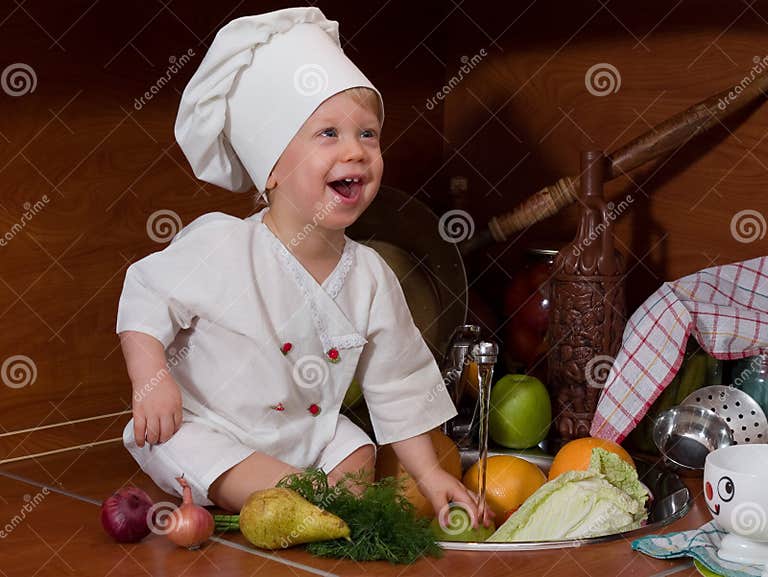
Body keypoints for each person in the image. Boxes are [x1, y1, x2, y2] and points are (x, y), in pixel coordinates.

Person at [117, 6, 491, 527]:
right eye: (328, 133)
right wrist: (152, 378)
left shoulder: (371, 276)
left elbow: (399, 384)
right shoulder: (225, 245)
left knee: (356, 449)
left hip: (306, 433)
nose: (356, 151)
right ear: (270, 168)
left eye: (368, 134)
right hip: (203, 425)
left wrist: (430, 475)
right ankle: (300, 501)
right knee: (194, 450)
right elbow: (146, 293)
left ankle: (312, 506)